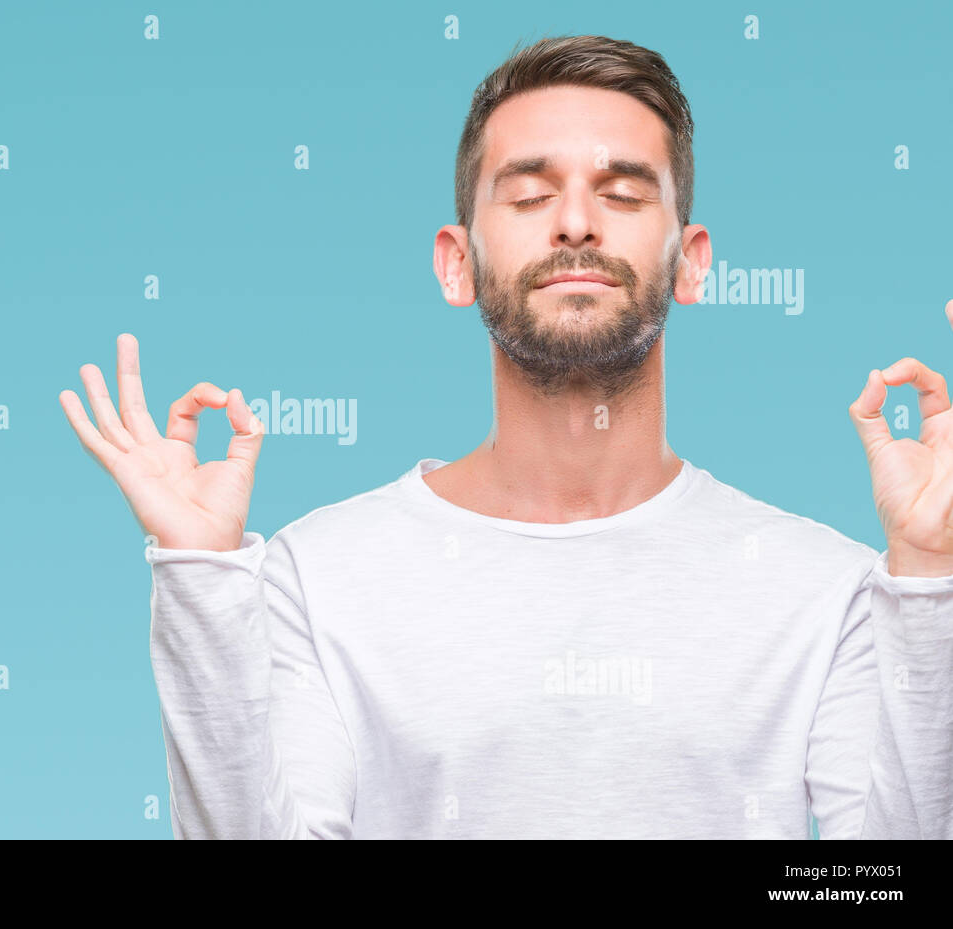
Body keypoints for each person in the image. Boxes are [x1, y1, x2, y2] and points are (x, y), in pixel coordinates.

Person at [58, 34, 953, 839]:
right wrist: (204, 574)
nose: (575, 222)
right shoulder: (318, 575)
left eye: (622, 193)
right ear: (457, 263)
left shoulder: (826, 590)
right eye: (529, 195)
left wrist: (931, 571)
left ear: (691, 262)